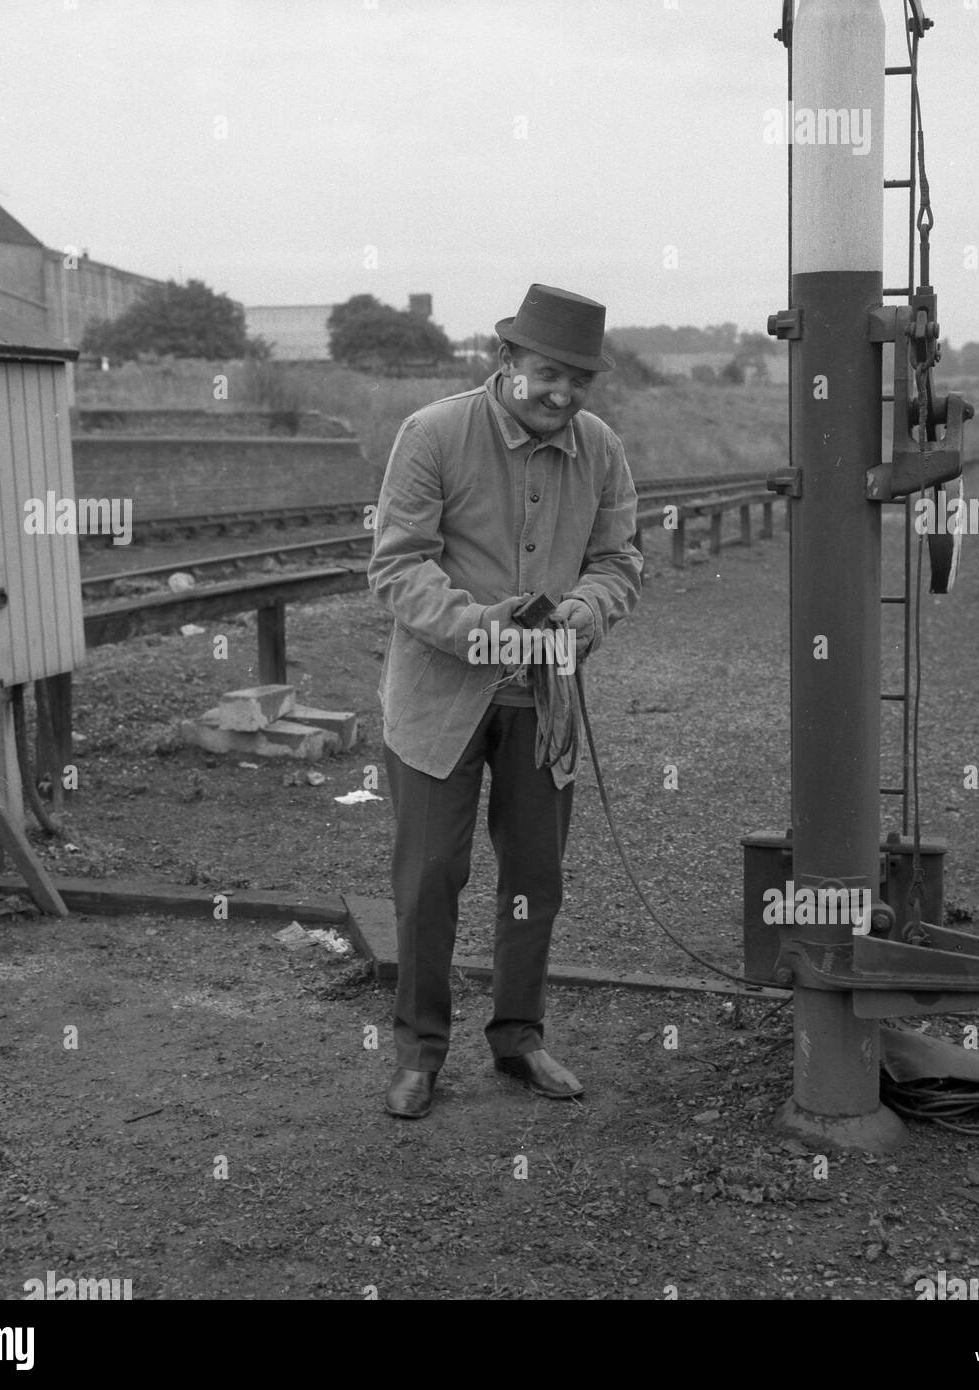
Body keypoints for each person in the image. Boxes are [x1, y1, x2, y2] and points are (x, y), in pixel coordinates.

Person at [368, 283, 643, 1119]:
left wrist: (584, 610)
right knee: (427, 880)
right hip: (436, 703)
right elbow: (398, 567)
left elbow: (619, 561)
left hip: (543, 703)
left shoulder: (599, 451)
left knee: (533, 877)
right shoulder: (432, 434)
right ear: (507, 362)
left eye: (579, 380)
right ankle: (419, 1052)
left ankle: (518, 1038)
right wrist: (484, 629)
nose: (563, 393)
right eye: (548, 374)